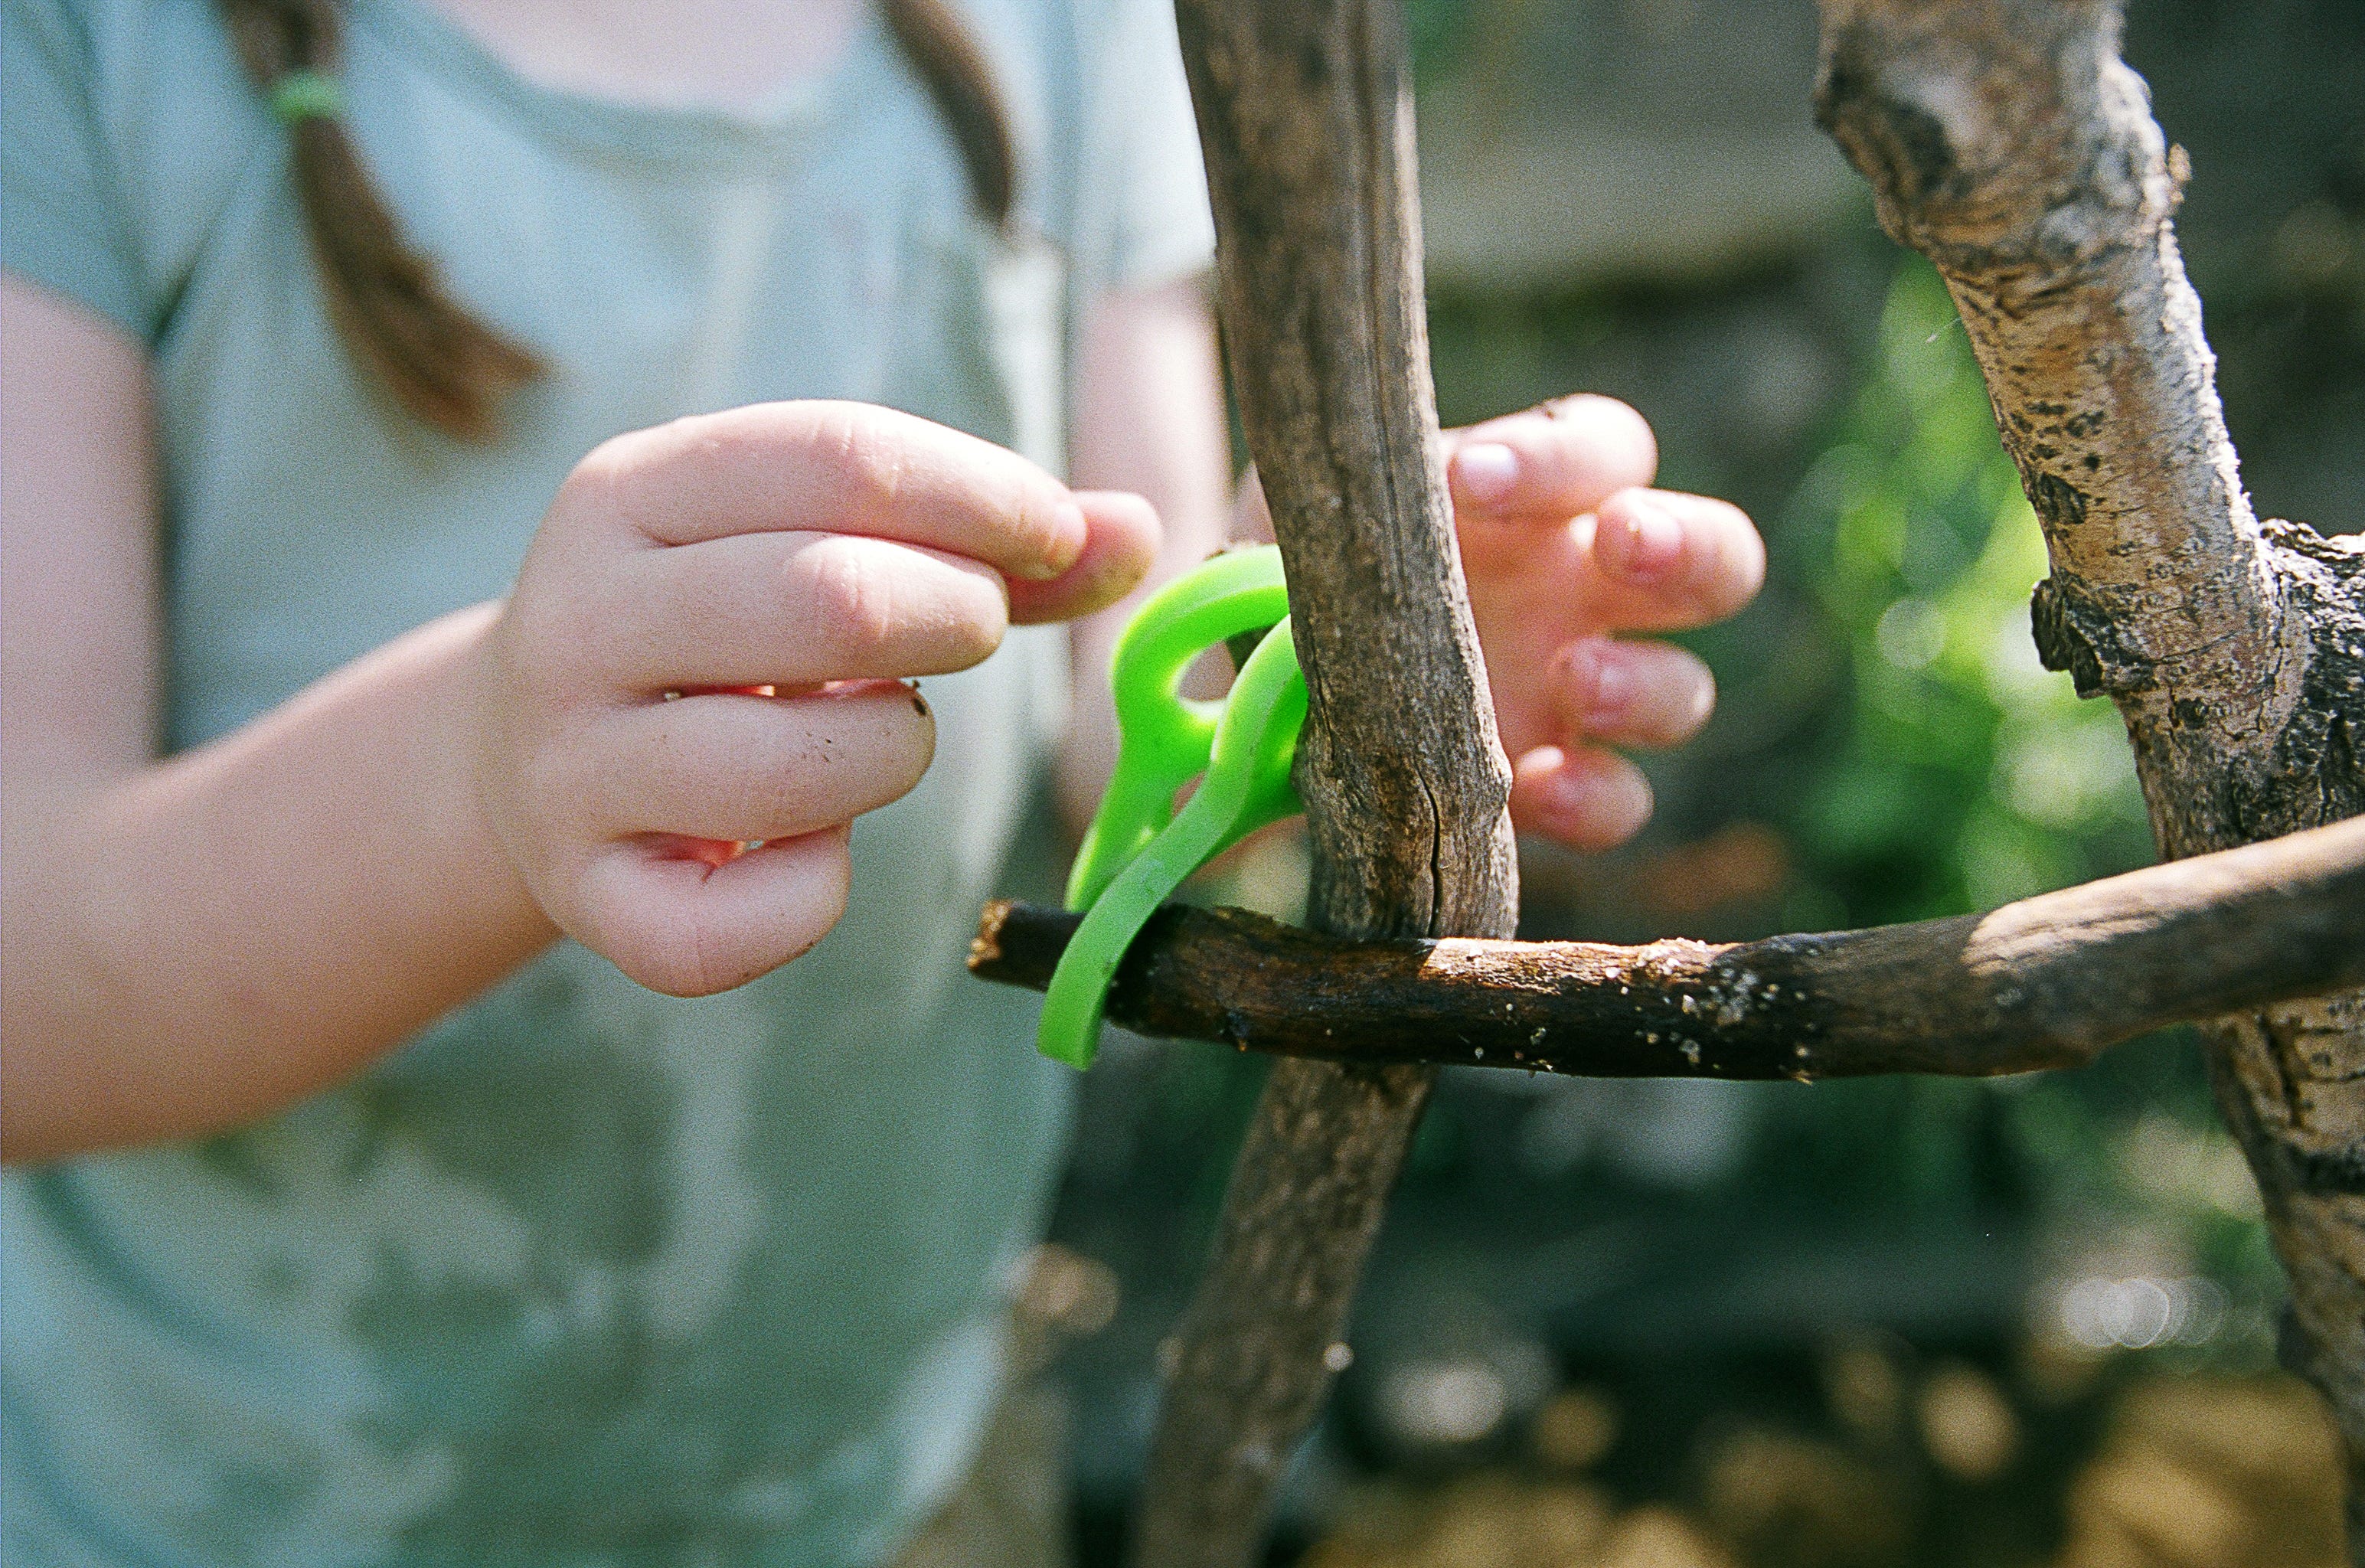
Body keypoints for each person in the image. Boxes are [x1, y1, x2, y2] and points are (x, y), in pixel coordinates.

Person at [0, 0, 1766, 1561]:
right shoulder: (81, 51)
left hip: (879, 1469)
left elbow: (1127, 690)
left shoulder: (1076, 28)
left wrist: (1341, 679)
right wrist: (477, 771)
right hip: (222, 1502)